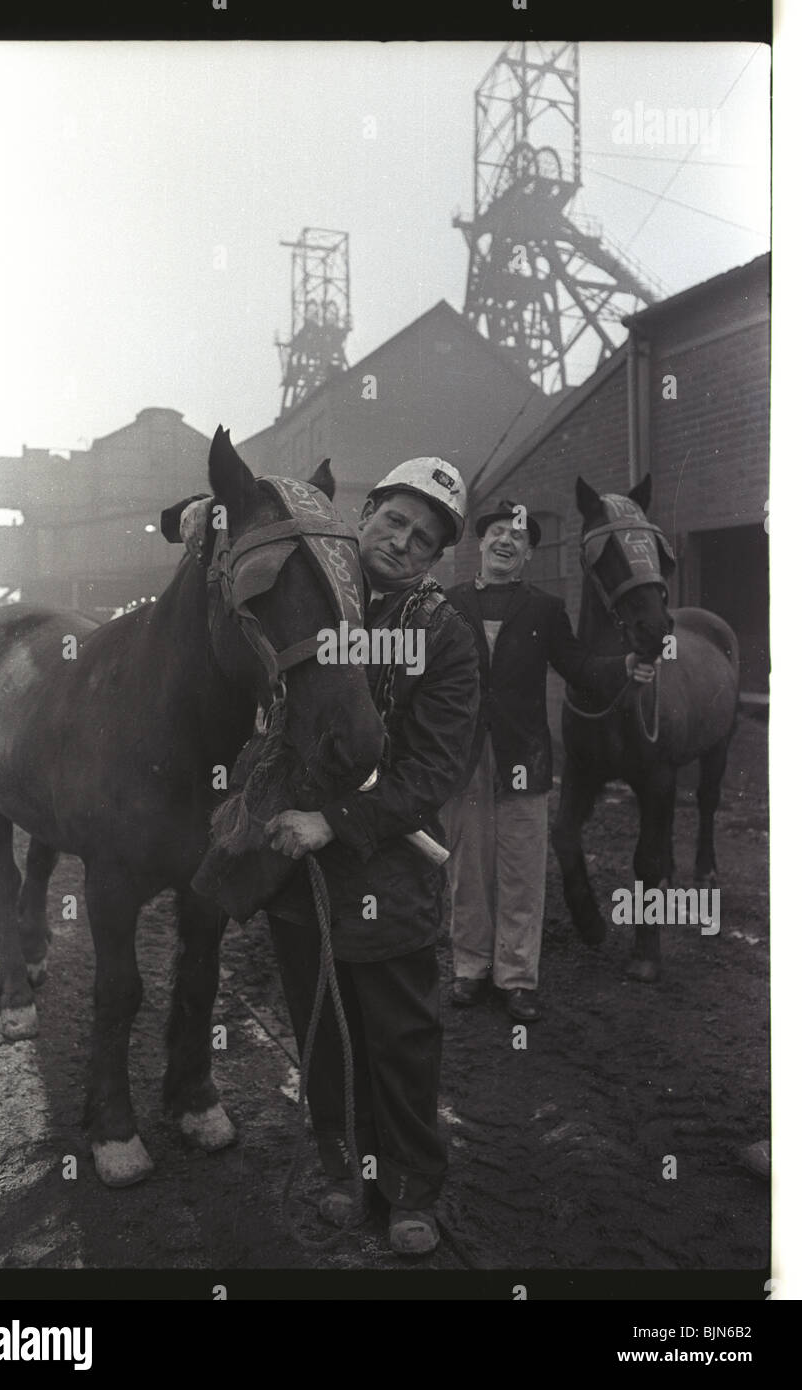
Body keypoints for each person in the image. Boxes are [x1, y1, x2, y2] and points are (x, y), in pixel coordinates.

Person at [263, 459, 479, 1257]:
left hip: (387, 873)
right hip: (298, 868)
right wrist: (192, 514)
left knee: (397, 1037)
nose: (402, 542)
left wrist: (333, 820)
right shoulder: (307, 585)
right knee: (322, 1030)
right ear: (367, 509)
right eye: (394, 519)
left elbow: (432, 772)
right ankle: (340, 1170)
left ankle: (412, 1186)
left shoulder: (444, 633)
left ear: (437, 558)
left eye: (424, 539)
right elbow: (243, 518)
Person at [444, 500, 654, 1023]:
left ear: (528, 554)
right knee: (468, 868)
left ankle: (516, 977)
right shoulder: (446, 606)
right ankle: (470, 968)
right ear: (482, 542)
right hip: (463, 756)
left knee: (520, 868)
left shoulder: (544, 609)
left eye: (516, 537)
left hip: (523, 756)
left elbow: (579, 667)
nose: (505, 542)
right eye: (496, 532)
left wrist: (627, 665)